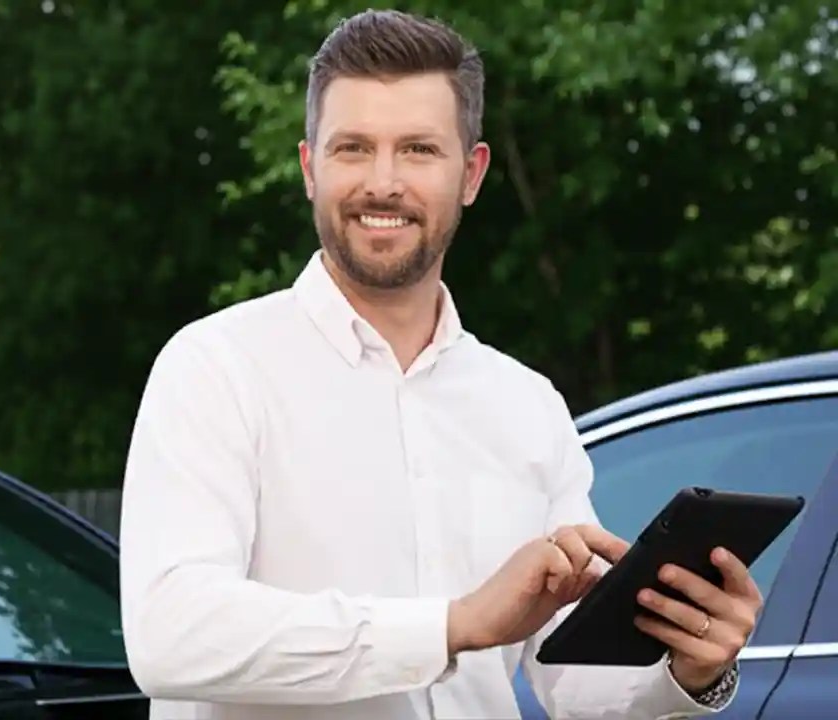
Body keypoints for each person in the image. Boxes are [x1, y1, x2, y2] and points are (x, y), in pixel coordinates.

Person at [117, 9, 758, 719]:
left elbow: (576, 684)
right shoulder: (215, 367)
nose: (382, 183)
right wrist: (453, 626)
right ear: (309, 168)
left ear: (472, 173)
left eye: (419, 149)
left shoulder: (526, 404)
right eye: (353, 148)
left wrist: (693, 673)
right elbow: (169, 636)